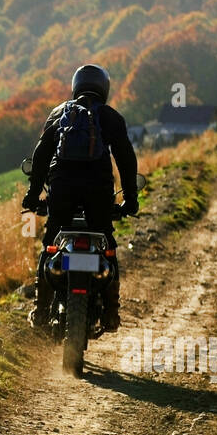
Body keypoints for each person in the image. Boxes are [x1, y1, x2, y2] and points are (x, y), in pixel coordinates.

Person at [21, 64, 139, 333]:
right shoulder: (110, 117)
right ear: (104, 89)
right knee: (107, 243)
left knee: (51, 243)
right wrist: (130, 199)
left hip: (62, 189)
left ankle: (40, 310)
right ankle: (111, 313)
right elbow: (126, 158)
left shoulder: (60, 113)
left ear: (76, 86)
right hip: (98, 190)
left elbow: (41, 155)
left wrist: (32, 194)